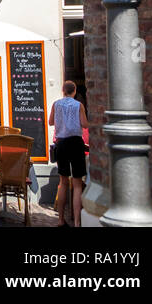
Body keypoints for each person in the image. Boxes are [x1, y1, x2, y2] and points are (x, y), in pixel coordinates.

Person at [50, 80, 88, 227]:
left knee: (63, 182)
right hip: (76, 143)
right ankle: (77, 223)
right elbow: (85, 124)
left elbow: (50, 122)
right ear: (74, 91)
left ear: (62, 90)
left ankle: (60, 220)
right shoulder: (79, 105)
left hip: (61, 143)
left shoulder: (56, 104)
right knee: (77, 184)